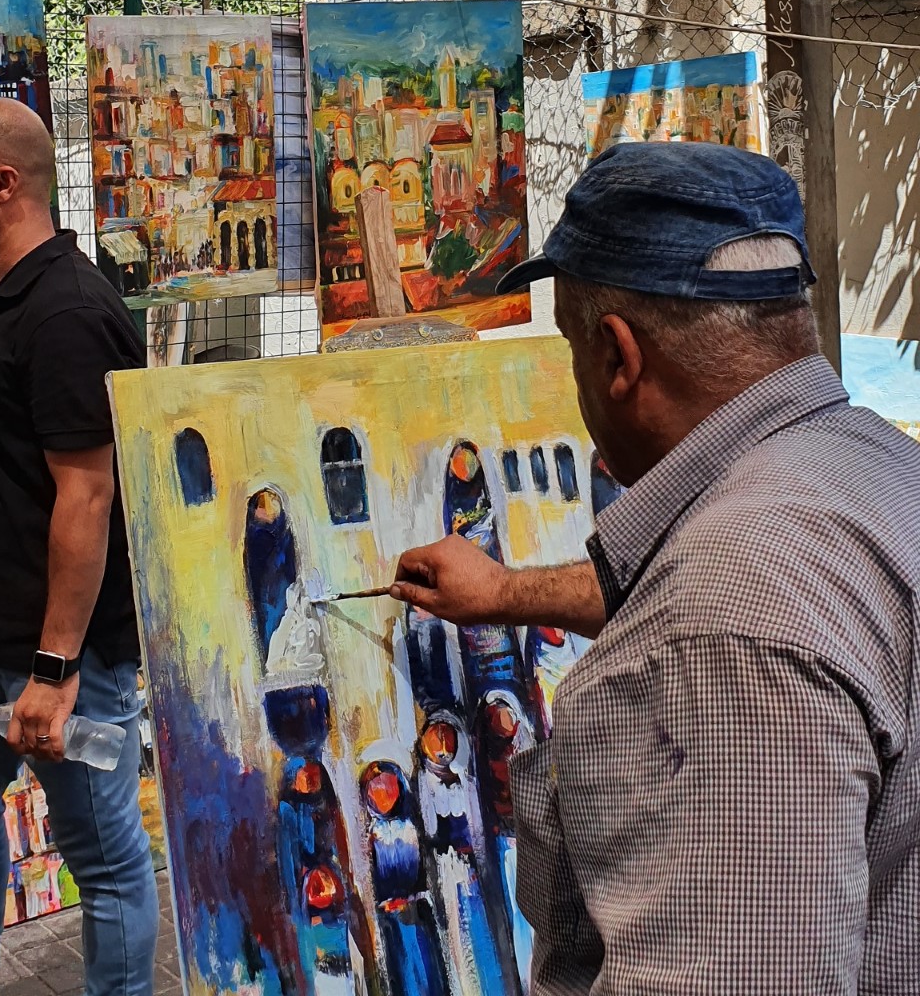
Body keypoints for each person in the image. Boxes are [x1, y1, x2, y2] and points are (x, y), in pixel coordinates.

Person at [392, 141, 920, 994]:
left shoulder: (718, 637)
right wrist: (502, 594)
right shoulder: (875, 476)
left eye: (567, 348)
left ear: (617, 357)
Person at [0, 99, 158, 996]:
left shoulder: (72, 312)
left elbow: (88, 493)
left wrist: (53, 664)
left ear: (4, 183)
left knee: (106, 862)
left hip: (64, 660)